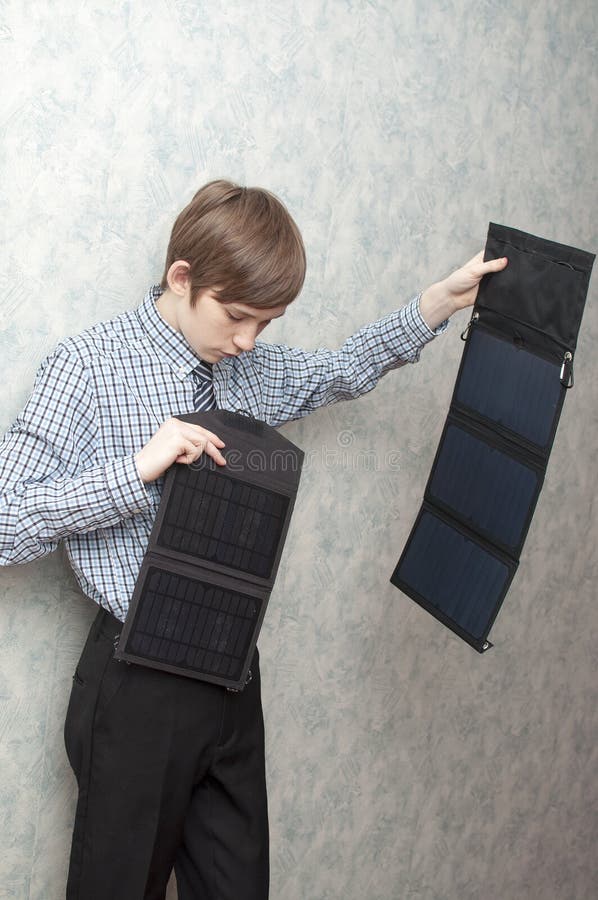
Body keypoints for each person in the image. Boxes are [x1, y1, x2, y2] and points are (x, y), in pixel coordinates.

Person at [0, 179, 507, 900]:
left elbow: (341, 370)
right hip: (138, 678)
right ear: (182, 278)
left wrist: (440, 302)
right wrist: (135, 471)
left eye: (264, 325)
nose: (246, 341)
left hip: (234, 676)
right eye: (236, 317)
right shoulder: (85, 368)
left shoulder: (248, 368)